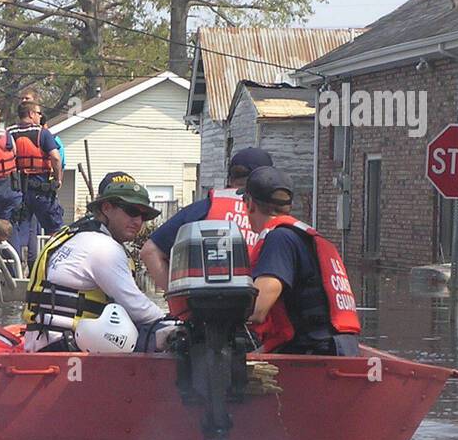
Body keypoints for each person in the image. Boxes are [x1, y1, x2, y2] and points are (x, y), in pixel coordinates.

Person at [23, 171, 168, 352]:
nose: (138, 221)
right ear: (106, 208)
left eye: (144, 215)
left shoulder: (72, 234)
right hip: (62, 346)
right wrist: (173, 323)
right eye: (131, 211)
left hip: (41, 338)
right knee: (160, 334)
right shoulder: (104, 247)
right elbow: (139, 309)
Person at [243, 166, 361, 356]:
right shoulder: (307, 238)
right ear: (287, 207)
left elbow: (257, 310)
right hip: (345, 348)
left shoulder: (279, 240)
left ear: (249, 204)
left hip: (315, 353)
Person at [140, 147, 275, 289]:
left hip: (203, 305)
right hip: (258, 305)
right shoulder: (275, 215)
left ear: (230, 178)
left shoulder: (203, 208)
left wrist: (176, 297)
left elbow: (149, 251)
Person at [7, 95, 64, 266]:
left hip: (18, 191)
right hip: (41, 191)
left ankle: (19, 267)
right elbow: (55, 158)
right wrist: (58, 178)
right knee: (55, 229)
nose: (41, 117)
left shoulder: (10, 134)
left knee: (21, 231)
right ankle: (53, 265)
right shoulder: (43, 133)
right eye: (39, 113)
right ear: (31, 114)